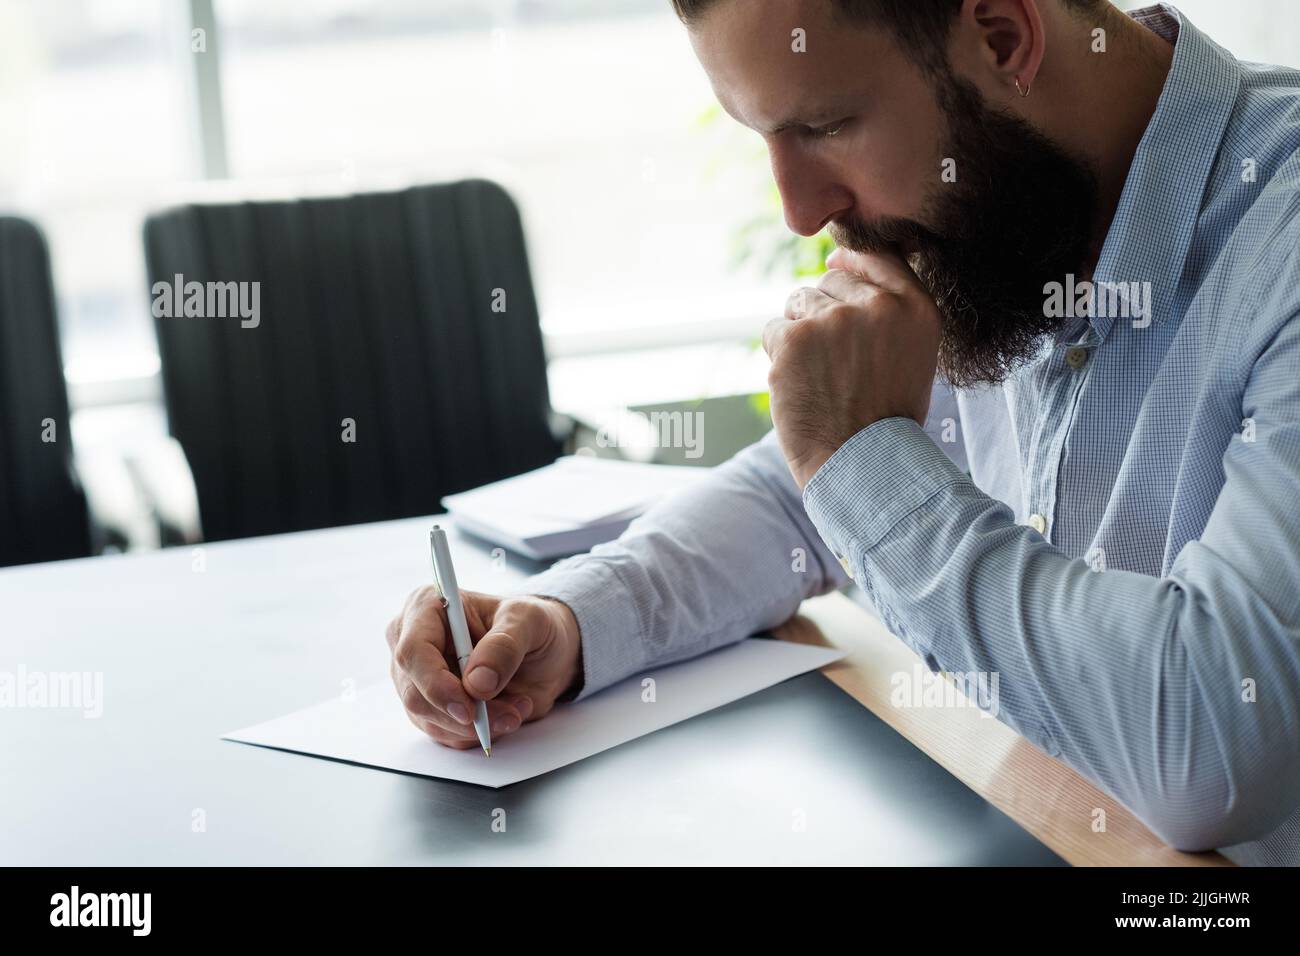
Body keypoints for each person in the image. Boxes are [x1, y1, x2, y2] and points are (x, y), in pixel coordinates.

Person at [385, 0, 1300, 865]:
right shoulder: (1016, 212)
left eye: (823, 127)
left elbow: (1212, 745)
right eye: (765, 139)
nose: (797, 209)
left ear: (1001, 34)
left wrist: (858, 457)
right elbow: (804, 498)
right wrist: (567, 620)